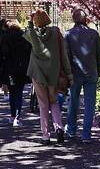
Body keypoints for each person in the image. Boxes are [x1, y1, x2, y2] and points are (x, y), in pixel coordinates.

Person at [25, 9, 72, 144]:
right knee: (54, 101)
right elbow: (63, 53)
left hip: (38, 73)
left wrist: (30, 22)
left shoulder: (32, 33)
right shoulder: (56, 32)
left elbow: (29, 34)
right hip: (54, 72)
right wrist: (68, 72)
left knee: (43, 104)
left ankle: (45, 135)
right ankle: (59, 127)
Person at [64, 8, 100, 142]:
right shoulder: (94, 34)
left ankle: (71, 129)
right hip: (91, 72)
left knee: (73, 101)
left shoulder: (68, 34)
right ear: (86, 19)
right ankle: (86, 134)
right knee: (90, 104)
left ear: (73, 19)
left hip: (74, 73)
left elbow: (66, 56)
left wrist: (67, 73)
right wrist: (98, 70)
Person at [0, 18, 32, 125]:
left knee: (12, 93)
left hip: (10, 68)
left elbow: (3, 53)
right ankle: (17, 117)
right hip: (22, 68)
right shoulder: (24, 36)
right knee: (19, 93)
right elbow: (29, 51)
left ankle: (13, 116)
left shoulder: (5, 37)